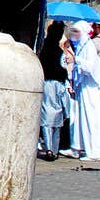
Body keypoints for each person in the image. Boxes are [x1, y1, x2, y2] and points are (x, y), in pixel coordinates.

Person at [65, 21, 100, 163]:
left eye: (77, 32)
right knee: (79, 117)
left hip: (90, 87)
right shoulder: (81, 47)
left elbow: (89, 67)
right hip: (83, 86)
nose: (74, 35)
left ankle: (95, 151)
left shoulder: (88, 46)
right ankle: (77, 146)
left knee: (91, 118)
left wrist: (75, 59)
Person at [38, 21, 68, 160]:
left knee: (45, 117)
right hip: (58, 85)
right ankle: (54, 150)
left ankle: (49, 148)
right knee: (58, 118)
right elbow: (63, 68)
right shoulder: (59, 51)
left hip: (45, 84)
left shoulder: (42, 49)